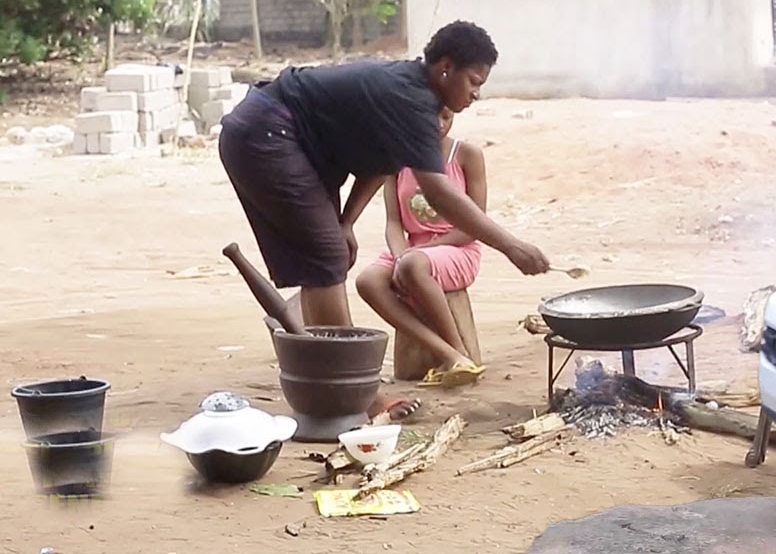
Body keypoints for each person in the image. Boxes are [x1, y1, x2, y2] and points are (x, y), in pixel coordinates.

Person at [218, 21, 549, 420]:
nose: (477, 94)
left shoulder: (412, 94)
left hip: (277, 134)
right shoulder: (410, 98)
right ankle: (359, 395)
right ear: (445, 68)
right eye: (474, 81)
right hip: (269, 132)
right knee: (324, 260)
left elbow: (380, 161)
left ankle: (322, 372)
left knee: (327, 255)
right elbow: (440, 193)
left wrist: (347, 222)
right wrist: (511, 245)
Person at [356, 107, 487, 388]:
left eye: (447, 117)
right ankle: (447, 353)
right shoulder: (397, 162)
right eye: (431, 116)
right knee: (368, 281)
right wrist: (401, 253)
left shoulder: (466, 156)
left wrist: (412, 258)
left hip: (457, 248)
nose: (439, 124)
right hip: (411, 250)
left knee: (414, 265)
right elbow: (393, 222)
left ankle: (460, 354)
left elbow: (473, 226)